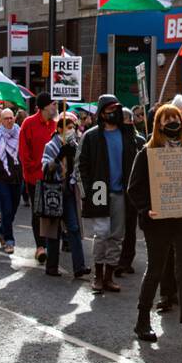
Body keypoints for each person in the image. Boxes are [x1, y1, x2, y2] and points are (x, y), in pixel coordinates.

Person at [129, 102, 182, 353]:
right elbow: (134, 188)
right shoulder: (147, 153)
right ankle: (142, 321)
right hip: (158, 222)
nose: (173, 123)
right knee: (155, 270)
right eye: (167, 119)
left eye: (177, 119)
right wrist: (146, 209)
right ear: (158, 124)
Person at [75, 94, 139, 294]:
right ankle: (98, 274)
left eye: (116, 109)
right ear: (102, 113)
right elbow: (80, 166)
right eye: (109, 109)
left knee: (117, 236)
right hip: (99, 189)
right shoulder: (91, 136)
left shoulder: (128, 135)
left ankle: (110, 276)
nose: (113, 113)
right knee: (101, 233)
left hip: (122, 192)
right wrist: (86, 191)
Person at [39, 112, 88, 279]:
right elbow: (45, 169)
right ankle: (51, 266)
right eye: (68, 127)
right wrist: (60, 156)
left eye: (73, 127)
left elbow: (79, 166)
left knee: (73, 228)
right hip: (54, 191)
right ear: (59, 129)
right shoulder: (50, 146)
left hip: (68, 192)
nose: (71, 130)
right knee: (54, 230)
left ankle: (79, 266)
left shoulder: (74, 145)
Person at [20, 92, 58, 265]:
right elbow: (23, 152)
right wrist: (34, 168)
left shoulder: (56, 125)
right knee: (38, 211)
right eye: (53, 104)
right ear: (44, 107)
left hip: (53, 177)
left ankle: (52, 244)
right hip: (35, 177)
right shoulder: (28, 123)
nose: (56, 107)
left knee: (52, 210)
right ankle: (40, 246)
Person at [0, 107, 22, 255]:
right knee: (6, 209)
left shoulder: (21, 134)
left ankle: (2, 232)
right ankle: (9, 240)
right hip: (3, 179)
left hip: (18, 179)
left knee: (13, 210)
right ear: (0, 121)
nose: (9, 121)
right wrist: (4, 169)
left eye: (11, 118)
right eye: (6, 118)